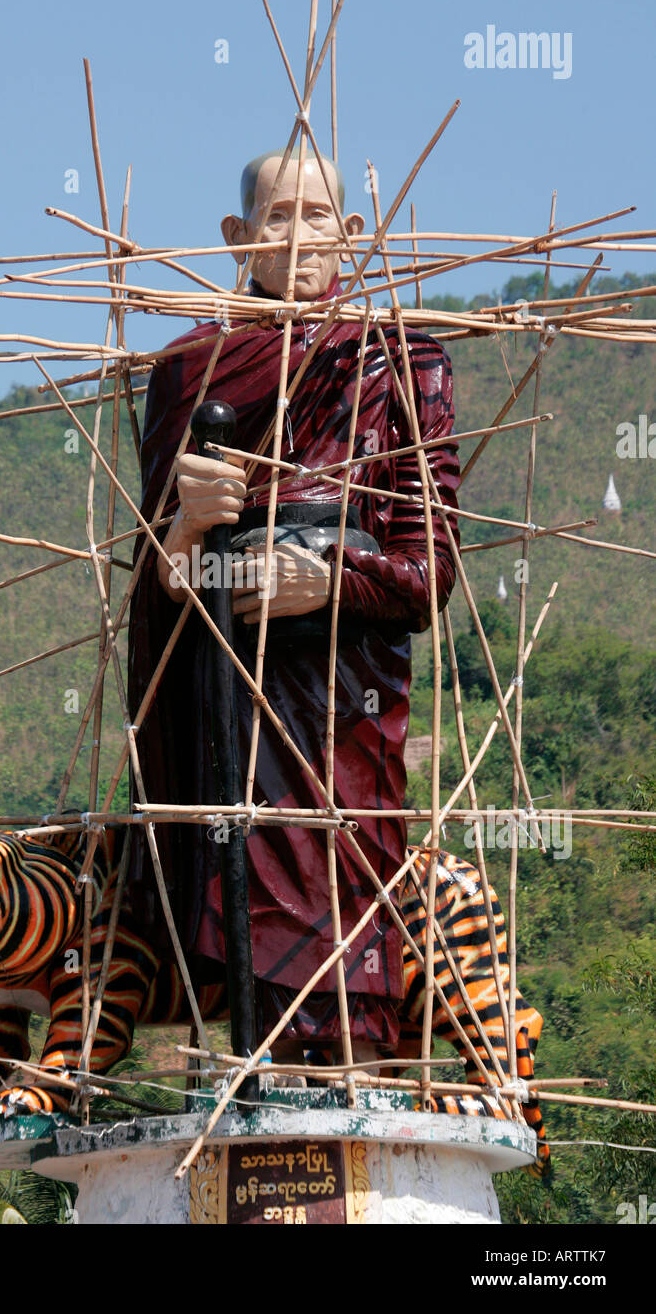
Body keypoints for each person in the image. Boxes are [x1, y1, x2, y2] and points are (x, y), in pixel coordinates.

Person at [124, 149, 460, 1063]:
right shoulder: (192, 369)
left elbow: (430, 572)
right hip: (234, 690)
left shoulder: (400, 360)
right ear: (239, 239)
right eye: (278, 217)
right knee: (247, 880)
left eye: (321, 217)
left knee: (347, 883)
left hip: (348, 703)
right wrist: (190, 527)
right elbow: (166, 582)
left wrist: (332, 582)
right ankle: (260, 1065)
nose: (301, 236)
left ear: (352, 236)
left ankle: (345, 1066)